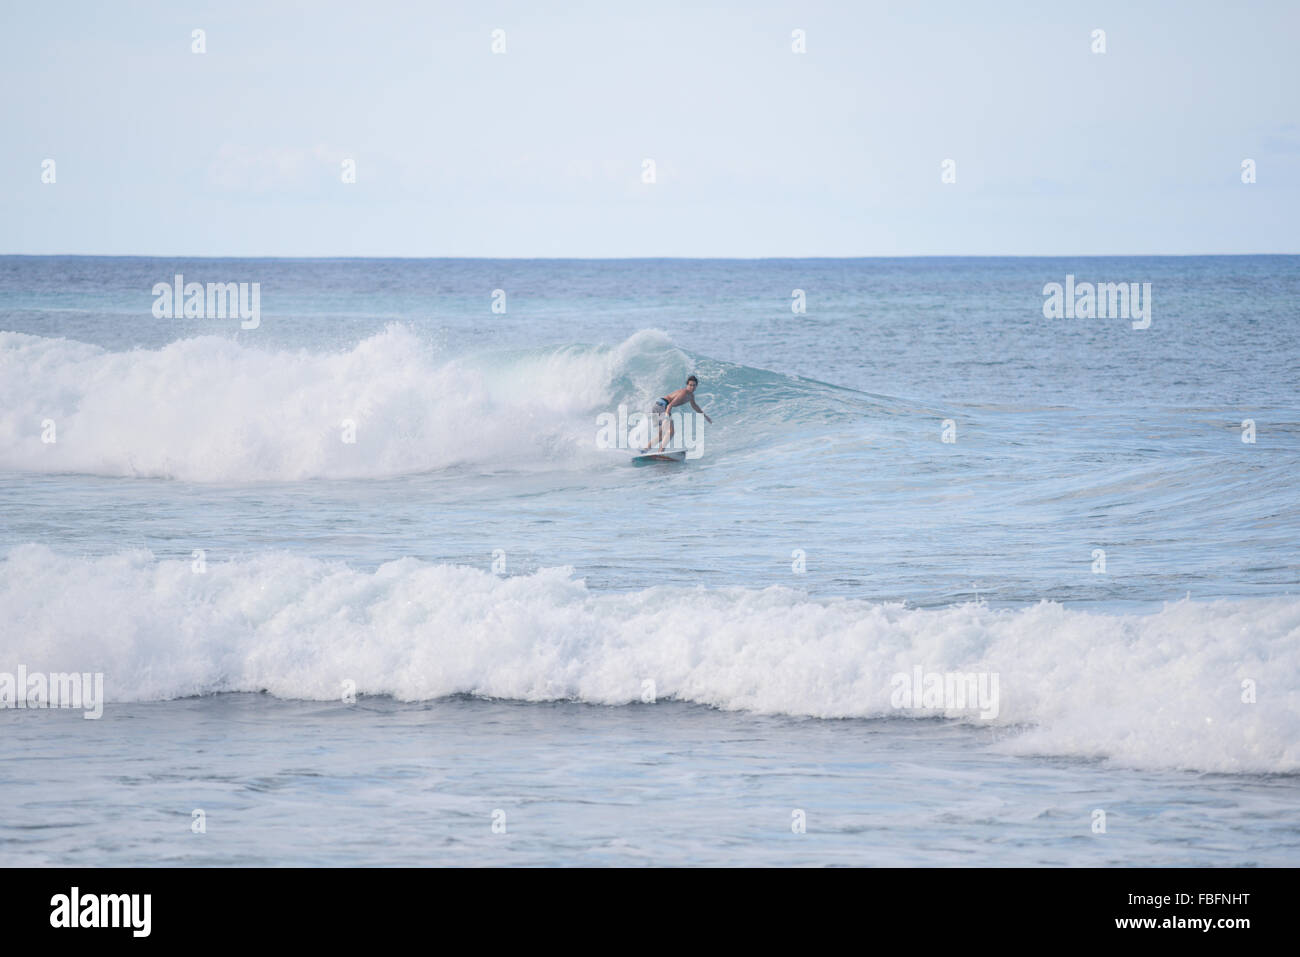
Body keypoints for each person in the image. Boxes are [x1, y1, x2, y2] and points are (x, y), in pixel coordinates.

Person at [642, 374, 713, 452]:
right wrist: (666, 418)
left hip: (657, 405)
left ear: (696, 386)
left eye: (694, 385)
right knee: (671, 431)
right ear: (687, 385)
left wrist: (705, 416)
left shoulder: (691, 396)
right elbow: (670, 405)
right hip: (663, 406)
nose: (692, 387)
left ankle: (645, 449)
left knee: (661, 435)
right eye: (690, 385)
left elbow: (695, 406)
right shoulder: (684, 393)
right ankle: (661, 451)